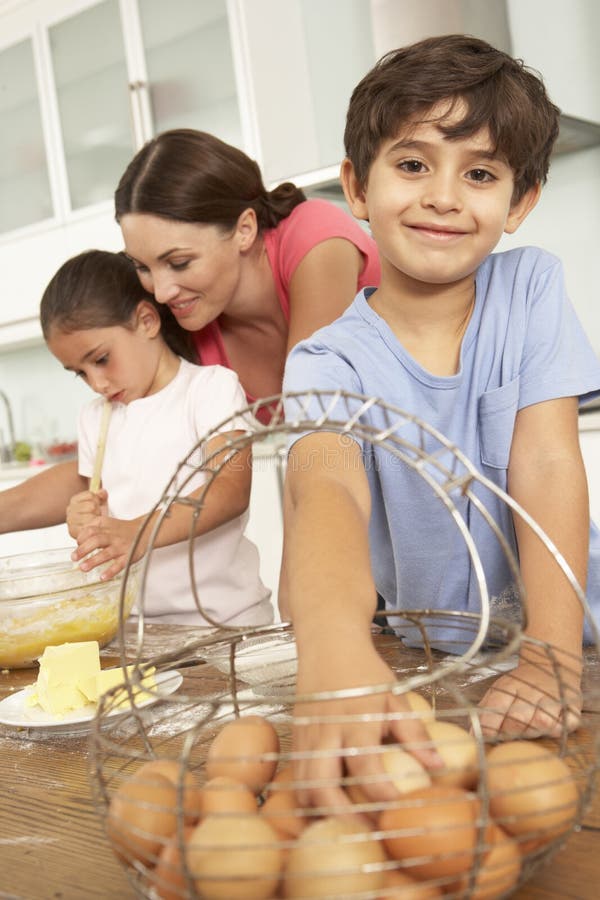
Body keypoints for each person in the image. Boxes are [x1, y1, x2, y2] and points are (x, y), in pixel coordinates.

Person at [281, 34, 600, 811]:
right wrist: (333, 645)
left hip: (575, 635)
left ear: (518, 203)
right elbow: (326, 492)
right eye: (414, 164)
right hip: (433, 654)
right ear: (357, 186)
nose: (444, 197)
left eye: (481, 174)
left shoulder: (529, 289)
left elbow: (550, 465)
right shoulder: (328, 362)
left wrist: (550, 657)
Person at [1, 250, 273, 627]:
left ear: (146, 321)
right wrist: (86, 520)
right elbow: (88, 487)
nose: (96, 383)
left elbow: (229, 489)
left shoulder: (209, 389)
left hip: (226, 625)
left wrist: (140, 531)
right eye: (78, 373)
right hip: (136, 628)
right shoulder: (97, 416)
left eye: (100, 359)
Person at [113, 128, 381, 423]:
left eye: (179, 262)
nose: (161, 293)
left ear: (244, 230)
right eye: (142, 267)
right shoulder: (193, 327)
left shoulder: (314, 238)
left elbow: (315, 413)